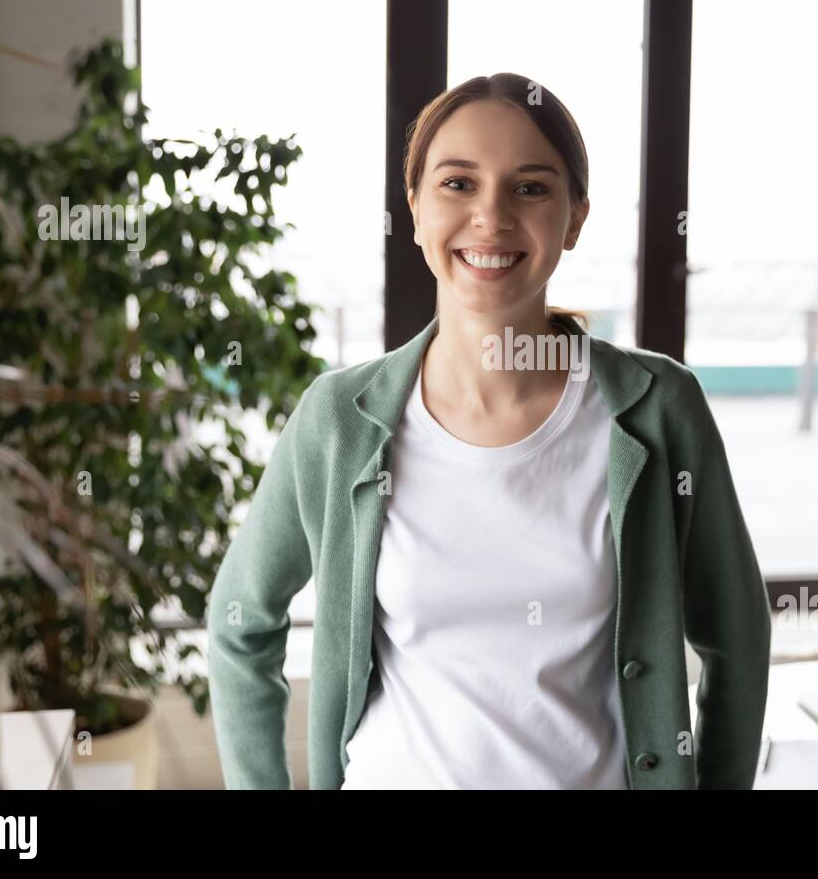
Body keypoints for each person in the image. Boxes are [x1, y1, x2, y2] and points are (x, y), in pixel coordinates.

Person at [207, 73, 771, 789]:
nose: (491, 217)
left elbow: (738, 638)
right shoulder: (338, 420)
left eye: (530, 188)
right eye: (458, 184)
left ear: (574, 218)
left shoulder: (660, 408)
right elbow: (239, 621)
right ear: (413, 209)